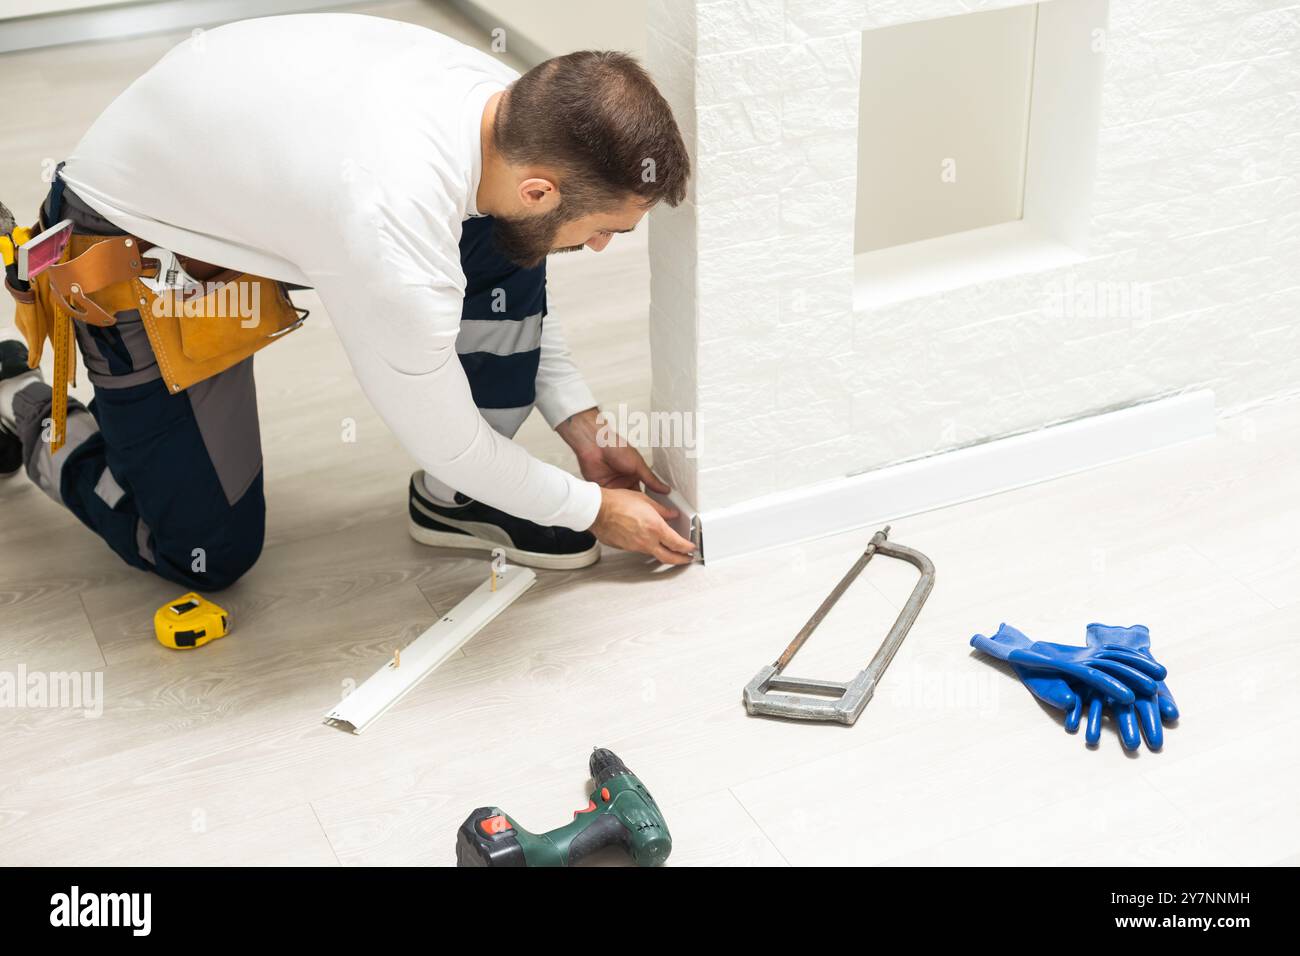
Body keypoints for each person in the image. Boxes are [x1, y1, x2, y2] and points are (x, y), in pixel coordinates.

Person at [0, 14, 697, 591]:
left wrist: (583, 424)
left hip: (252, 199)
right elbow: (445, 441)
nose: (604, 246)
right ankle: (22, 404)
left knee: (505, 236)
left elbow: (512, 253)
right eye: (606, 228)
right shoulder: (389, 215)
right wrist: (593, 511)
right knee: (206, 552)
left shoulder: (508, 111)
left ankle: (463, 504)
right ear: (542, 189)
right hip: (134, 244)